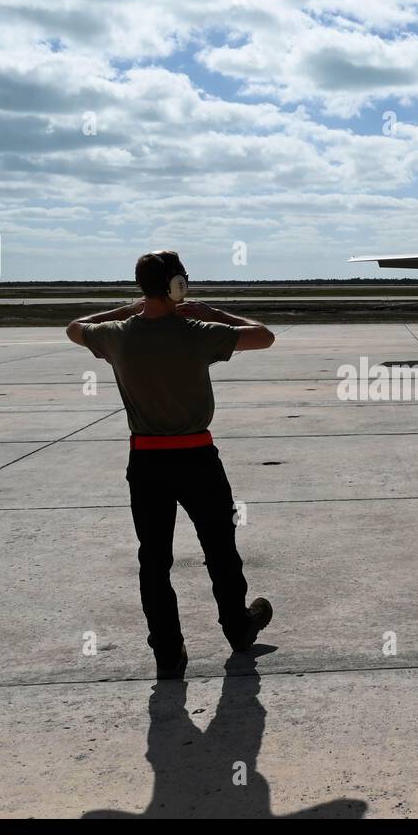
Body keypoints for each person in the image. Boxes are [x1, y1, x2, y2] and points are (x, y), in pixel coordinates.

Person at [66, 250, 275, 679]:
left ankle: (167, 650)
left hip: (145, 461)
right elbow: (264, 335)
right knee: (220, 549)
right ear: (178, 286)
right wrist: (212, 311)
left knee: (154, 559)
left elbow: (74, 328)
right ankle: (238, 628)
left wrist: (132, 308)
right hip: (197, 456)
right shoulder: (197, 330)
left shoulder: (118, 335)